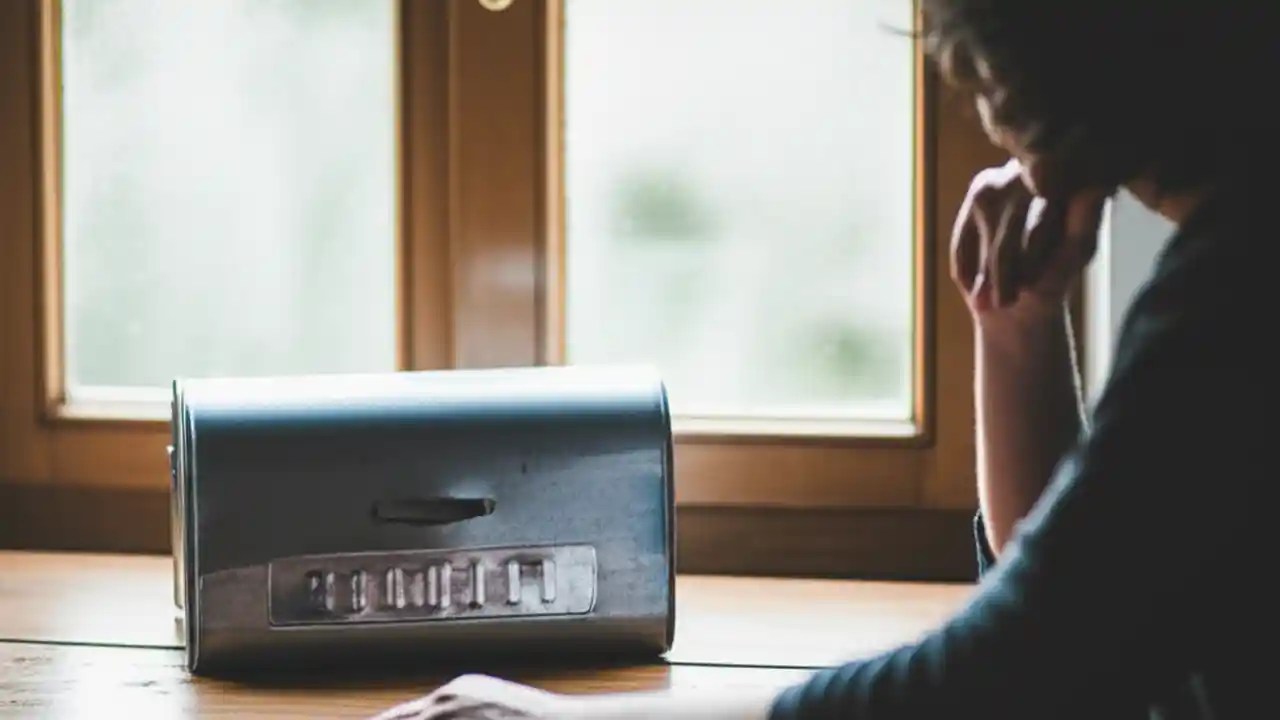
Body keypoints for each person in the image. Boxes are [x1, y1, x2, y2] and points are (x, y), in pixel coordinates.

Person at [373, 1, 1274, 717]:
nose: (949, 59)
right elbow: (1094, 625)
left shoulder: (1238, 282)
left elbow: (1014, 676)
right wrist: (1017, 330)